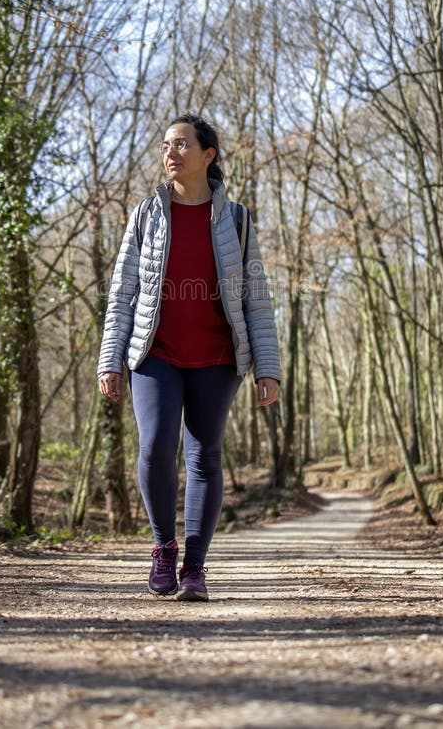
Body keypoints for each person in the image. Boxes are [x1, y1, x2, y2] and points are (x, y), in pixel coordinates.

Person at [97, 112, 280, 602]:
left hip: (218, 358)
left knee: (204, 458)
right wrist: (110, 359)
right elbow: (122, 291)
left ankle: (195, 568)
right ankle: (163, 549)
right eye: (165, 145)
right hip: (154, 353)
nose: (170, 152)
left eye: (180, 144)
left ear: (208, 155)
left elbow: (256, 297)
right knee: (156, 446)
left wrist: (268, 367)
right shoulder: (146, 214)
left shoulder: (236, 220)